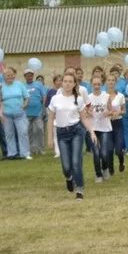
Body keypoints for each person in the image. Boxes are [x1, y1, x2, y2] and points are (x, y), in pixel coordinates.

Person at [47, 73, 96, 201]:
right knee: (66, 167)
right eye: (65, 81)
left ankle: (79, 189)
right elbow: (50, 118)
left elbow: (83, 118)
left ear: (74, 84)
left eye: (70, 81)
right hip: (62, 134)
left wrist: (92, 131)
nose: (67, 83)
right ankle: (69, 178)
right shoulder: (55, 99)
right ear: (61, 83)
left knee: (75, 162)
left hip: (76, 132)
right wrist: (50, 138)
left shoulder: (78, 99)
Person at [0, 67, 31, 160]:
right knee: (9, 134)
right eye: (7, 75)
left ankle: (25, 153)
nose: (10, 77)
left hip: (20, 114)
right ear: (4, 76)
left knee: (23, 132)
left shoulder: (19, 84)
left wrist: (25, 105)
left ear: (14, 75)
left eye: (11, 75)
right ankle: (12, 153)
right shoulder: (1, 86)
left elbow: (27, 97)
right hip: (6, 114)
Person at [87, 76, 112, 182]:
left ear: (102, 85)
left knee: (104, 153)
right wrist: (88, 113)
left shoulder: (106, 96)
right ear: (91, 85)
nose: (97, 86)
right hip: (93, 129)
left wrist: (108, 113)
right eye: (95, 84)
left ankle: (105, 168)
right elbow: (85, 114)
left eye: (98, 84)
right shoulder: (88, 98)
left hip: (104, 128)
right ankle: (98, 174)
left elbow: (111, 111)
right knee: (96, 153)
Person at [23, 69, 46, 156]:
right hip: (26, 113)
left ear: (33, 76)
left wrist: (43, 107)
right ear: (24, 76)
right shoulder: (22, 86)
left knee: (40, 129)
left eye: (31, 75)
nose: (29, 77)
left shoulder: (38, 84)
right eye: (27, 75)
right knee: (28, 131)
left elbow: (44, 96)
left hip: (38, 112)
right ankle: (31, 149)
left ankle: (40, 148)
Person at [106, 74, 126, 174]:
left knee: (118, 149)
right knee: (109, 149)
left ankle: (121, 162)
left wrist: (119, 112)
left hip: (118, 123)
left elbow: (124, 111)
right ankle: (110, 168)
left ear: (116, 82)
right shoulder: (103, 96)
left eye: (113, 80)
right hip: (107, 124)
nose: (111, 82)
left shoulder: (120, 96)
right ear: (106, 82)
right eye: (109, 80)